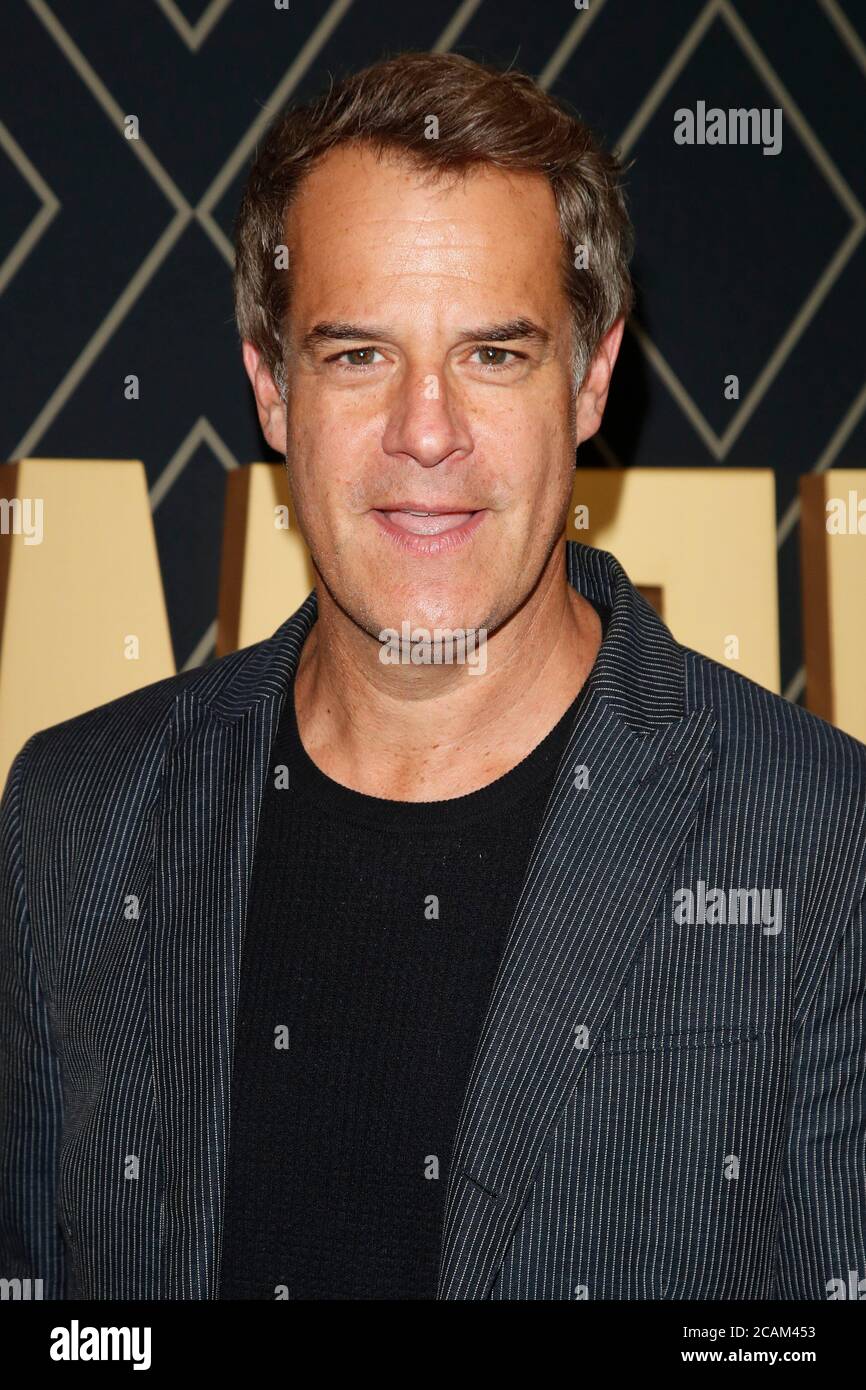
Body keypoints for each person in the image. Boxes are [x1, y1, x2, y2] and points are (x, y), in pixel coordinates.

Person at [1, 51, 864, 1302]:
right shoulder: (77, 818)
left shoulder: (822, 843)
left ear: (589, 379)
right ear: (270, 388)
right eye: (357, 355)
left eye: (493, 356)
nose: (424, 429)